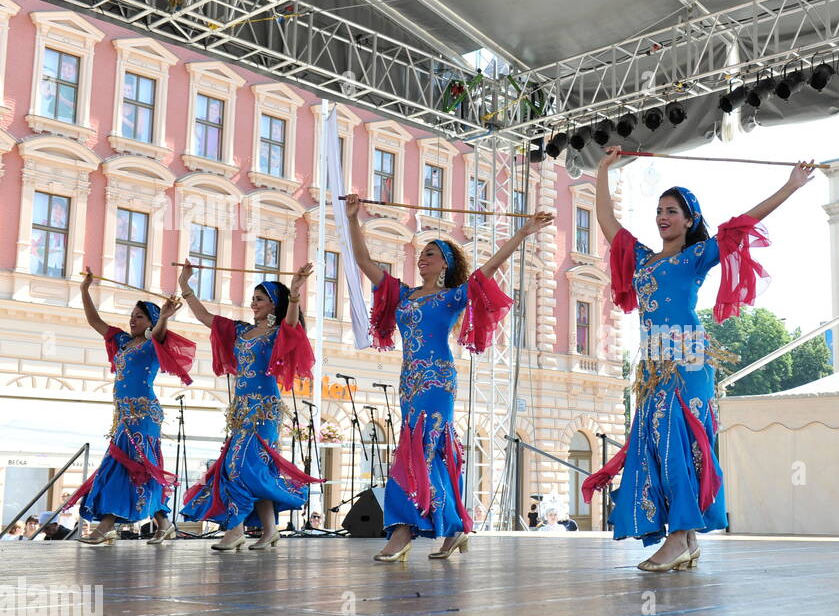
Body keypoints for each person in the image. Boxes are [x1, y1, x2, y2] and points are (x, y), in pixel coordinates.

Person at [582, 146, 815, 571]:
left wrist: (791, 186)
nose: (662, 217)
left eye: (671, 210)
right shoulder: (641, 258)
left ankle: (678, 539)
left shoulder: (697, 254)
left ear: (689, 219)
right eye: (658, 210)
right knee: (658, 444)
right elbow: (607, 221)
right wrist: (602, 171)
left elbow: (744, 224)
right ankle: (685, 541)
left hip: (687, 359)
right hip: (652, 364)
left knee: (678, 445)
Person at [346, 192, 552, 563]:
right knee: (432, 454)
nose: (422, 257)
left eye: (431, 253)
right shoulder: (403, 295)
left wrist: (522, 234)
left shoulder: (452, 297)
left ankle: (402, 531)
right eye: (422, 253)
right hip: (409, 381)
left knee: (418, 451)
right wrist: (352, 219)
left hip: (437, 381)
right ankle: (455, 527)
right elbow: (362, 260)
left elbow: (487, 270)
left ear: (444, 264)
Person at [177, 261, 321, 551]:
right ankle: (270, 530)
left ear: (273, 304)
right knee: (255, 469)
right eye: (253, 298)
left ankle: (236, 529)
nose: (253, 303)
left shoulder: (278, 331)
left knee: (238, 466)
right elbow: (206, 317)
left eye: (259, 299)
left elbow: (292, 323)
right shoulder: (241, 331)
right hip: (241, 409)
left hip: (265, 409)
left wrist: (294, 292)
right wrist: (185, 285)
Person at [68, 272, 196, 546]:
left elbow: (160, 332)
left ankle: (106, 526)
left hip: (143, 415)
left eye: (139, 316)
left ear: (149, 322)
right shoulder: (122, 342)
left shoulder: (152, 345)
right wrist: (84, 289)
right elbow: (94, 321)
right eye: (132, 315)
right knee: (139, 468)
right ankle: (164, 522)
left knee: (120, 466)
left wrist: (163, 317)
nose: (132, 320)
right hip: (125, 416)